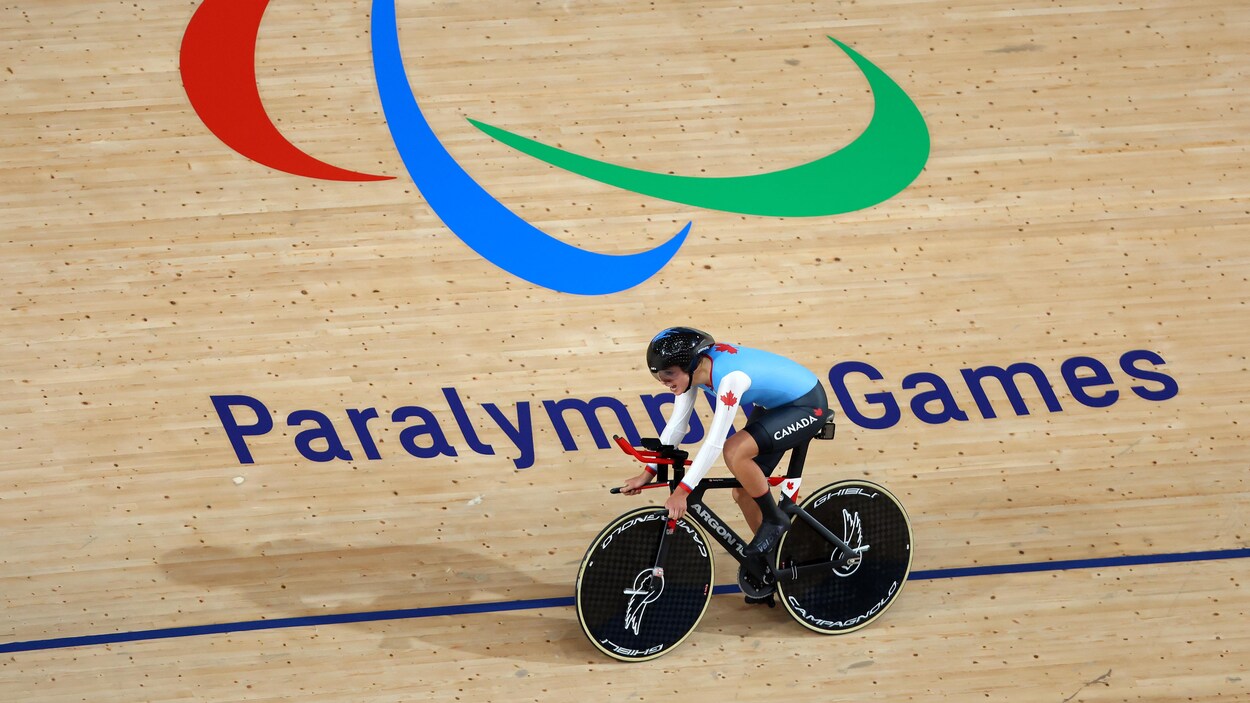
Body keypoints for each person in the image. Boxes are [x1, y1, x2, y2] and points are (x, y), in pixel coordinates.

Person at [620, 327, 832, 561]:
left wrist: (683, 491)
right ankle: (774, 565)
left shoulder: (730, 378)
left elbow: (715, 443)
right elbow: (677, 426)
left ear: (690, 365)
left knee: (734, 450)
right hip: (775, 406)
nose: (664, 381)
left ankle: (775, 518)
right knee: (744, 491)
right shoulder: (695, 372)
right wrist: (647, 474)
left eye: (669, 374)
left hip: (807, 406)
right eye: (659, 375)